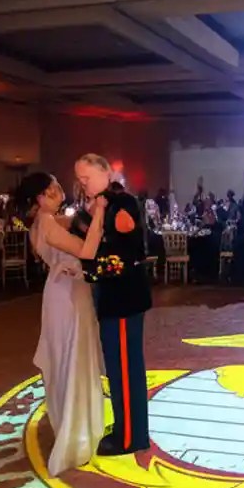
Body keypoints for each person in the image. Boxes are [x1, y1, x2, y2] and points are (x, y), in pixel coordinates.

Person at [19, 172, 108, 476]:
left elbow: (72, 224)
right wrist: (100, 214)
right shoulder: (46, 224)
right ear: (39, 198)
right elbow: (87, 251)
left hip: (66, 290)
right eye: (52, 189)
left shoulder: (44, 222)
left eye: (57, 186)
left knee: (69, 360)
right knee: (72, 361)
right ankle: (75, 434)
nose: (58, 192)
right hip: (66, 297)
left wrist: (88, 212)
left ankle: (75, 426)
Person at [74, 153, 153, 457]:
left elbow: (121, 251)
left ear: (105, 172)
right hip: (116, 297)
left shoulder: (121, 203)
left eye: (87, 177)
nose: (82, 183)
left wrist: (89, 267)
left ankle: (130, 436)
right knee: (119, 368)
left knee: (124, 369)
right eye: (79, 179)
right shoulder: (103, 204)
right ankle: (127, 426)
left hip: (122, 298)